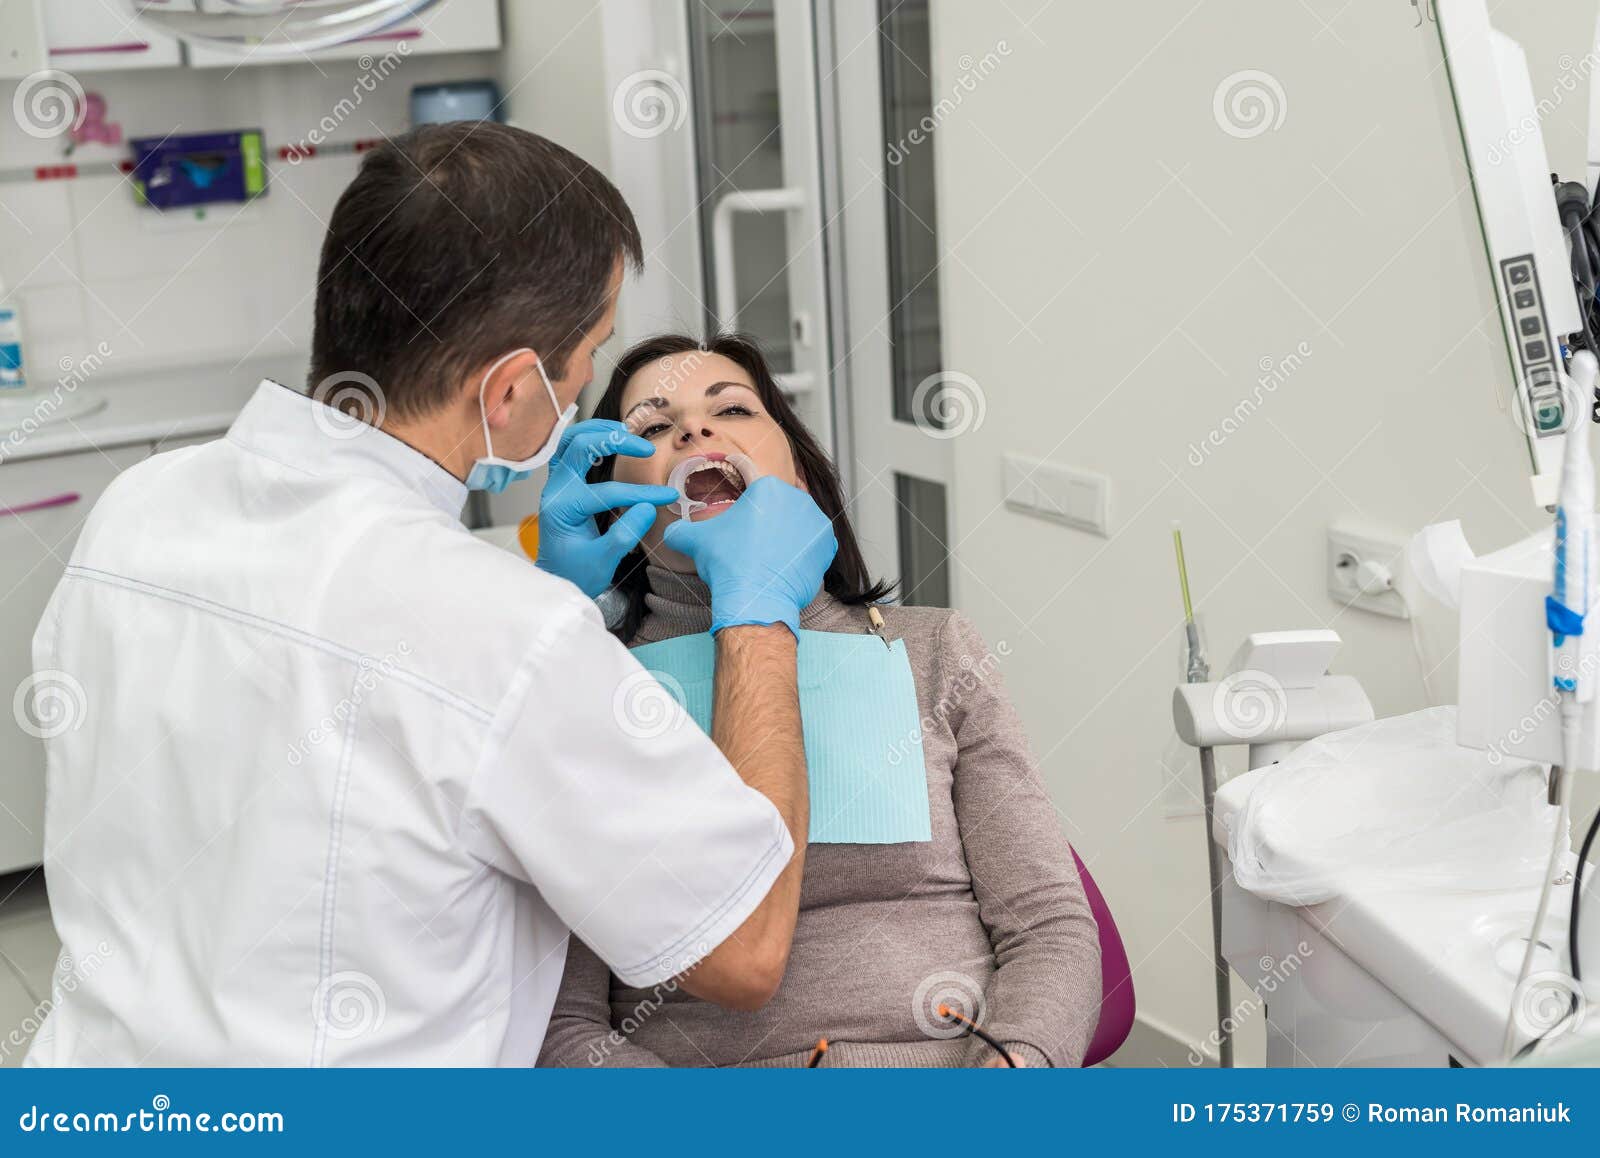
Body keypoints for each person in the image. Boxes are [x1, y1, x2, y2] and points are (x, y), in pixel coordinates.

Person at [24, 124, 836, 1066]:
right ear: (510, 390)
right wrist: (758, 619)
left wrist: (549, 619)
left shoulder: (139, 506)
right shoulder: (507, 633)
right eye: (590, 353)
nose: (587, 383)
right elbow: (744, 949)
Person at [536, 334, 1102, 1068]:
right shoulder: (587, 689)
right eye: (652, 424)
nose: (695, 430)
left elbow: (1049, 930)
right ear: (611, 500)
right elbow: (567, 1023)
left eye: (732, 410)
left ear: (798, 474)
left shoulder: (935, 650)